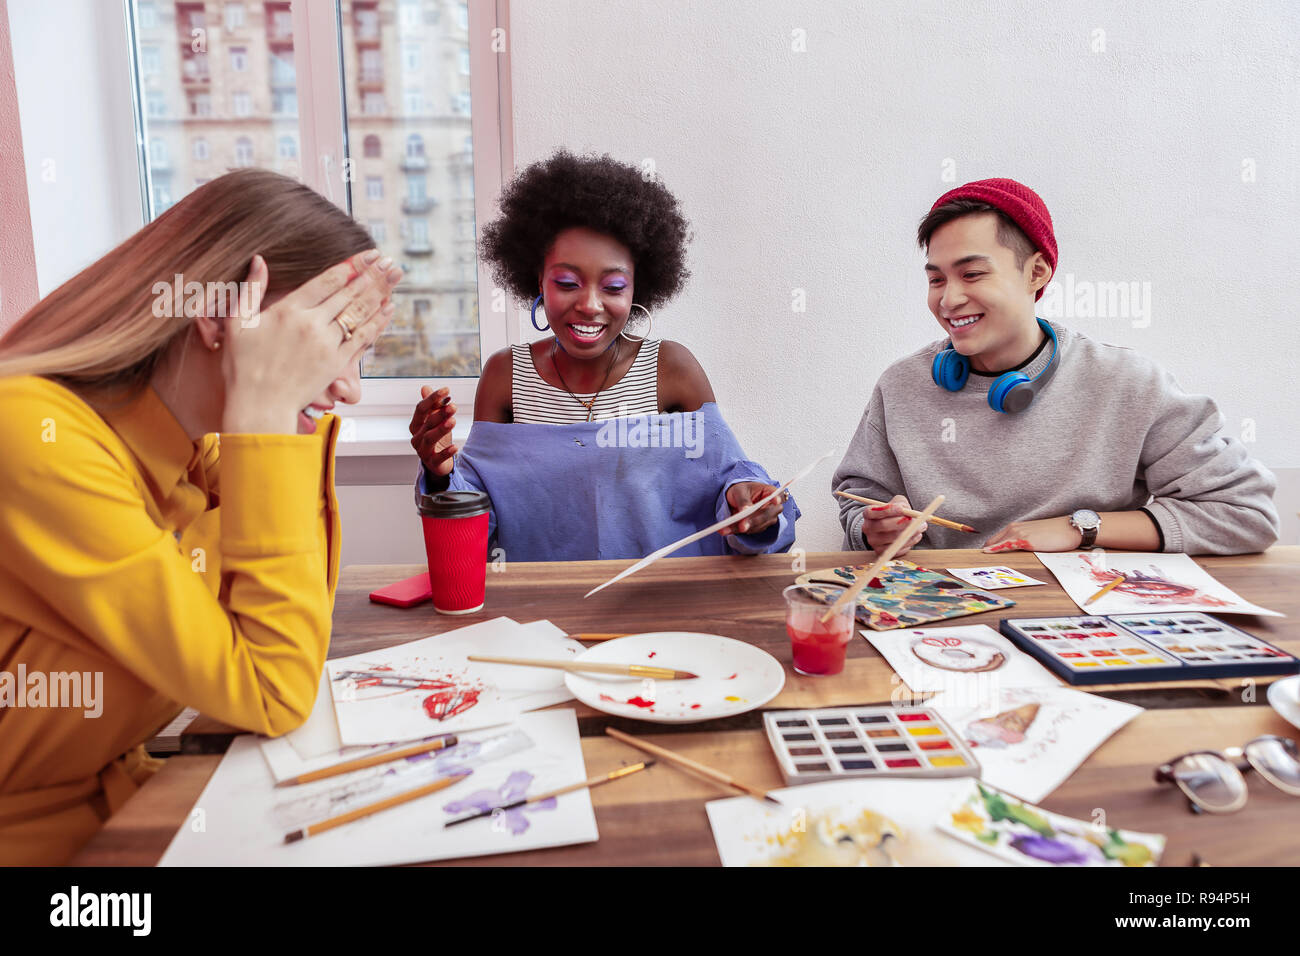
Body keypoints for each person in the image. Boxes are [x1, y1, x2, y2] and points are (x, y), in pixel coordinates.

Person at [0, 169, 402, 864]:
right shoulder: (33, 437)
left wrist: (273, 427)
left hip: (125, 807)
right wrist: (267, 421)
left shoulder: (192, 449)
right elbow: (272, 689)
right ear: (220, 318)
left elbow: (296, 632)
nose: (351, 388)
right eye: (331, 342)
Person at [833, 178, 1279, 557]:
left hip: (1084, 617)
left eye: (971, 275)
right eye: (936, 279)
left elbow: (1245, 513)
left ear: (1037, 273)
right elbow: (859, 502)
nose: (948, 300)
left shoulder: (1128, 383)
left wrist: (1080, 527)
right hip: (943, 616)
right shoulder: (900, 385)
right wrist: (872, 528)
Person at [408, 151, 798, 561]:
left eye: (613, 286)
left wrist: (747, 499)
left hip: (654, 607)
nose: (590, 304)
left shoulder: (672, 370)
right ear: (537, 278)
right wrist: (439, 473)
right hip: (539, 610)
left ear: (637, 289)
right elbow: (475, 515)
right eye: (566, 281)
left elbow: (727, 479)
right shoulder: (506, 375)